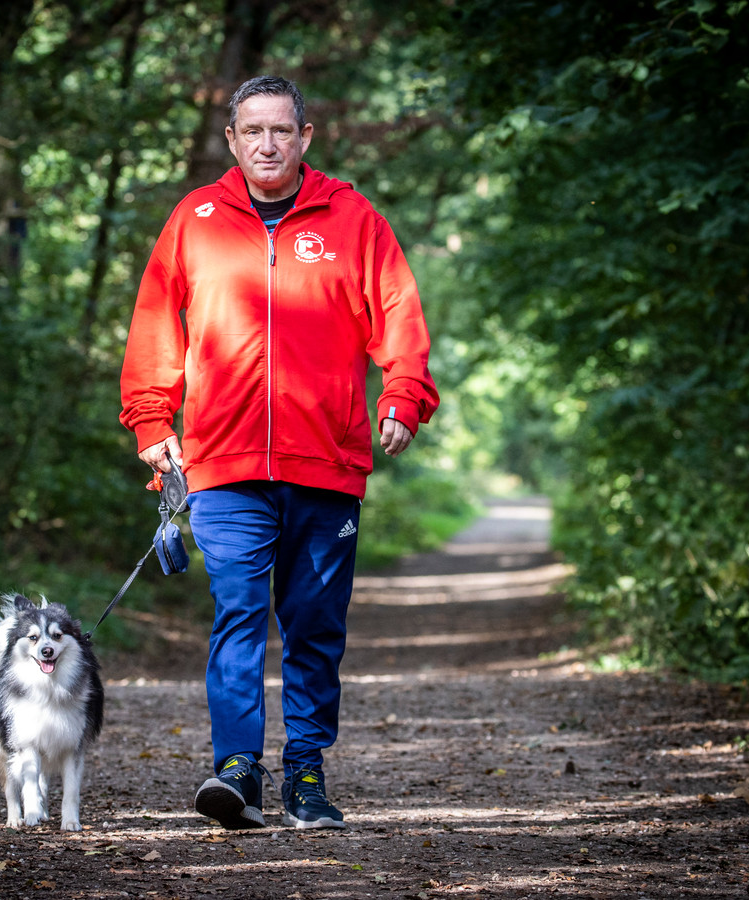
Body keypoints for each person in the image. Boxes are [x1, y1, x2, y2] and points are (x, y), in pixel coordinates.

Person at [119, 75, 439, 830]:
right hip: (223, 463)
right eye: (252, 130)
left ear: (306, 139)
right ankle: (237, 768)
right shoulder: (194, 220)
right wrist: (152, 421)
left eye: (282, 131)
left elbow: (398, 314)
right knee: (236, 612)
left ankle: (305, 773)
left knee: (313, 622)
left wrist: (402, 396)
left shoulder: (355, 219)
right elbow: (156, 326)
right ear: (231, 141)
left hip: (326, 463)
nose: (268, 143)